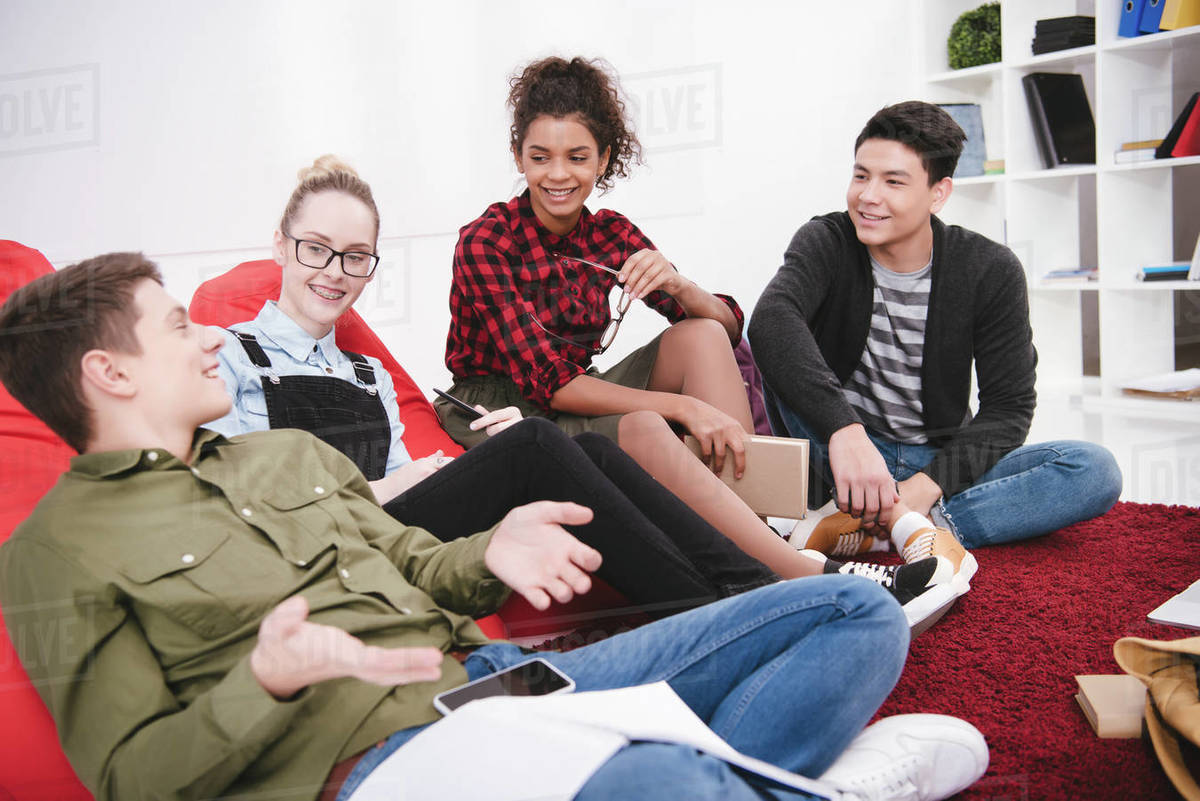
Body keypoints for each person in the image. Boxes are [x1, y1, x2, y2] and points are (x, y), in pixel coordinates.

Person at [0, 253, 990, 801]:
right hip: (369, 758)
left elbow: (415, 561)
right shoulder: (52, 553)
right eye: (178, 325)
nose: (210, 334)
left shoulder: (285, 457)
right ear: (108, 372)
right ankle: (802, 788)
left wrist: (493, 548)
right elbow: (129, 777)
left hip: (489, 684)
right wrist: (262, 679)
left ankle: (756, 784)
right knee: (659, 782)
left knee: (854, 617)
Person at [202, 156, 950, 622]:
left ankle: (765, 586)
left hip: (401, 520)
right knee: (538, 439)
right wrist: (401, 481)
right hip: (335, 533)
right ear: (280, 246)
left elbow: (408, 480)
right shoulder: (226, 354)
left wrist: (437, 468)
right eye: (316, 250)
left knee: (585, 450)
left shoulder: (365, 371)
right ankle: (779, 589)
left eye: (355, 257)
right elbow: (241, 496)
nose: (334, 272)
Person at [439, 56, 951, 592]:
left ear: (603, 158)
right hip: (503, 412)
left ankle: (760, 530)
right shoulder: (486, 240)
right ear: (519, 157)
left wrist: (678, 285)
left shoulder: (609, 233)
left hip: (575, 393)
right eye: (540, 157)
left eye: (578, 157)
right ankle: (803, 572)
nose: (558, 174)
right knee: (646, 424)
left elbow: (729, 328)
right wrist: (684, 407)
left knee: (701, 335)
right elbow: (553, 384)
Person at [749, 101, 1122, 584]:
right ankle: (908, 525)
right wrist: (846, 431)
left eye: (894, 181)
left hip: (936, 459)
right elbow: (771, 321)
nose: (868, 196)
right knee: (783, 348)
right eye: (861, 176)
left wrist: (928, 486)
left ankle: (892, 526)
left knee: (1092, 470)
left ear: (938, 193)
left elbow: (1009, 407)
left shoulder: (989, 269)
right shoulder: (827, 240)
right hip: (840, 459)